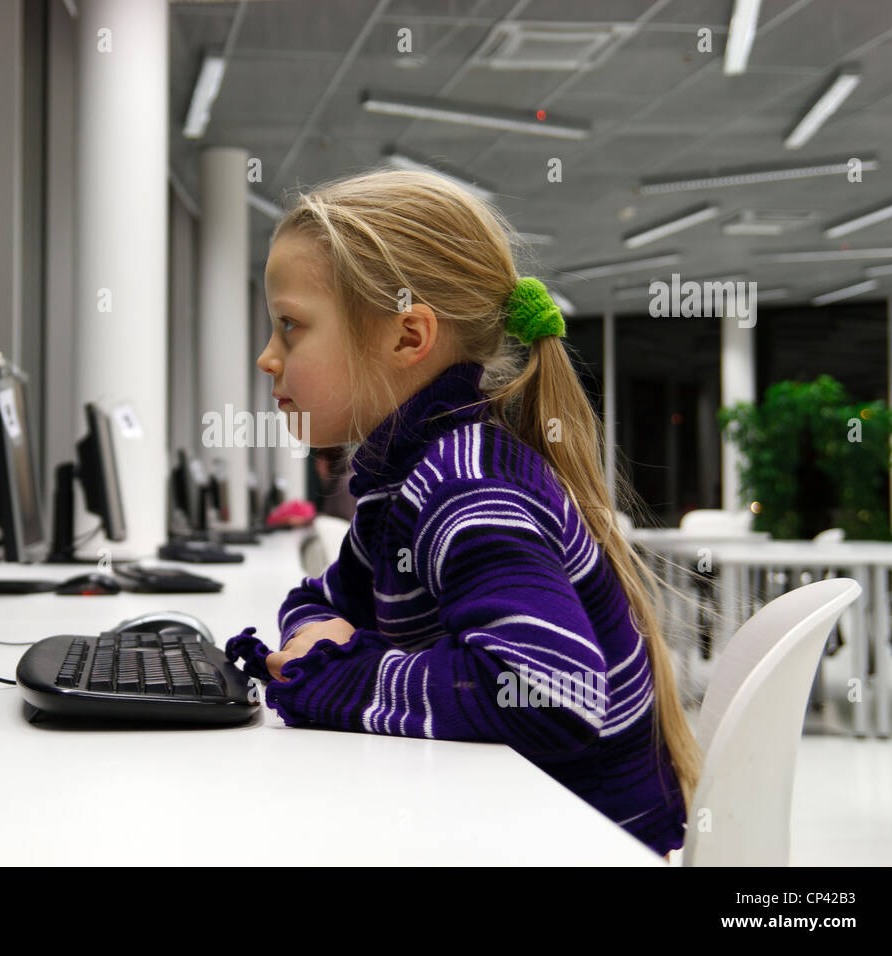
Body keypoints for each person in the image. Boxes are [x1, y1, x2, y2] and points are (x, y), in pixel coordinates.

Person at [227, 168, 699, 860]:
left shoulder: (466, 487)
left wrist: (337, 676)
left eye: (290, 327)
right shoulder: (403, 481)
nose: (268, 357)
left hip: (580, 841)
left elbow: (548, 693)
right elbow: (319, 599)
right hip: (514, 821)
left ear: (408, 337)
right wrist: (324, 637)